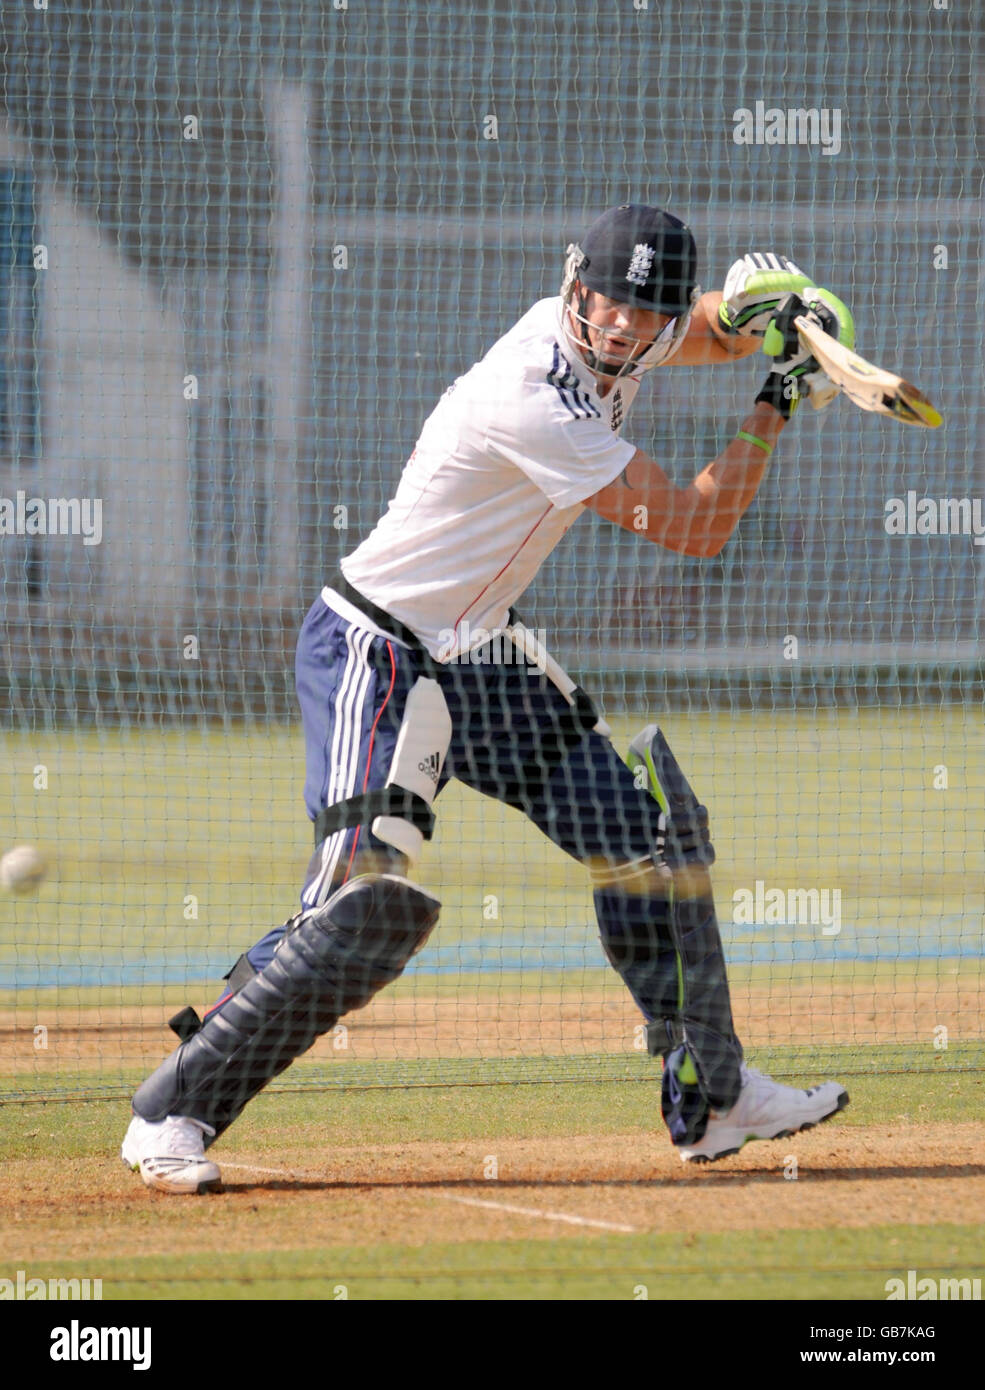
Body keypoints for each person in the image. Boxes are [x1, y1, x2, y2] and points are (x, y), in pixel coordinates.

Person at [122, 204, 852, 1193]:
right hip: (375, 646)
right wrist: (779, 397)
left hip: (476, 646)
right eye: (611, 305)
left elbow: (710, 324)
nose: (629, 329)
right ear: (574, 288)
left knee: (647, 834)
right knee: (357, 908)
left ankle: (712, 1093)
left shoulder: (628, 335)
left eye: (648, 310)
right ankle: (174, 1110)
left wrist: (776, 308)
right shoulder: (535, 393)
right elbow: (694, 527)